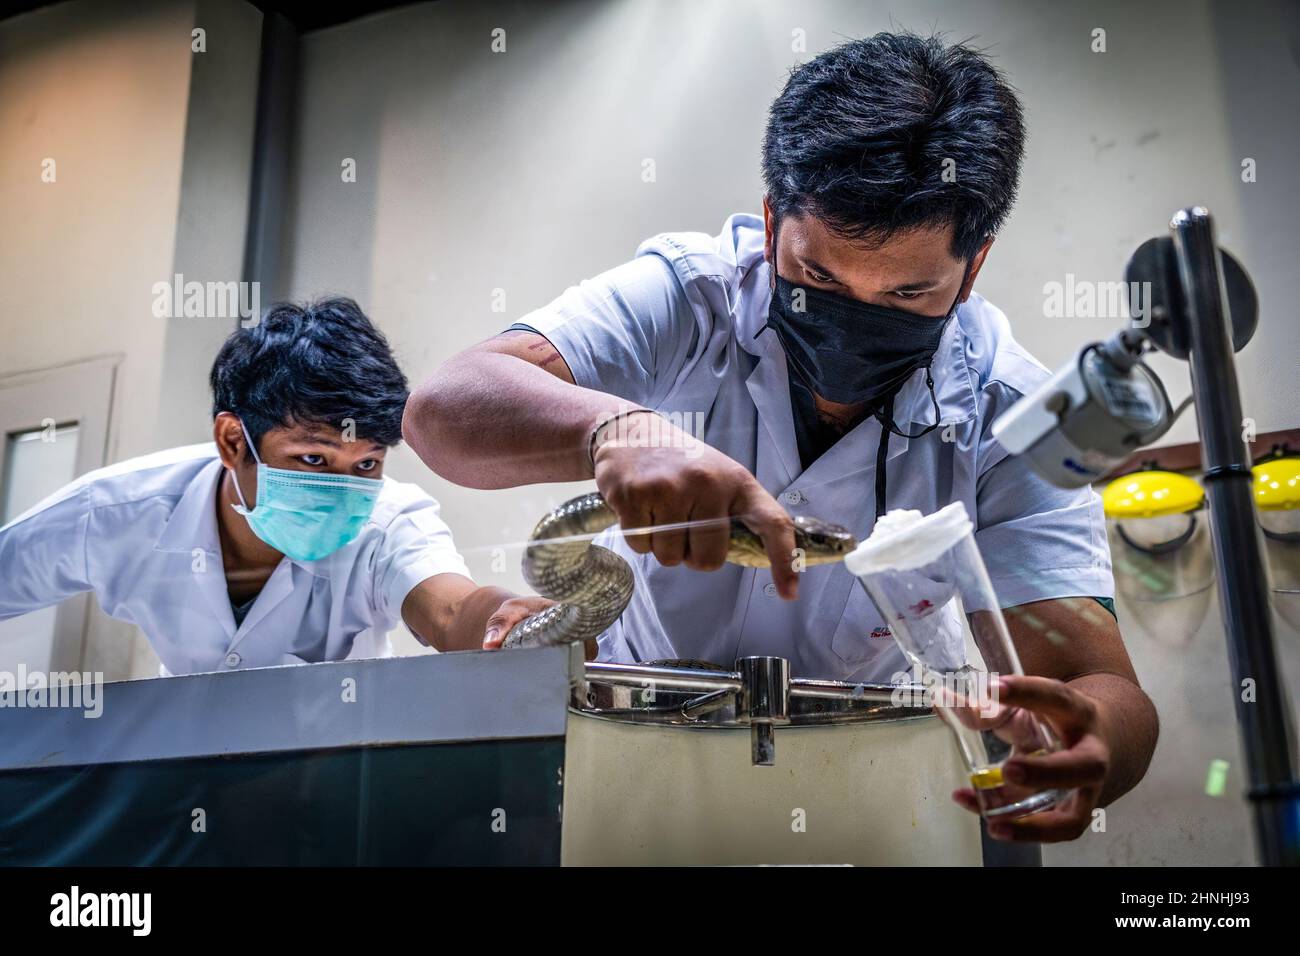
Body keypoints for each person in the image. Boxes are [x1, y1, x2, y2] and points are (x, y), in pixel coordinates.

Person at [401, 33, 1158, 842]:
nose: (852, 321)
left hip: (868, 788)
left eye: (908, 293)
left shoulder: (1012, 419)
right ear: (771, 225)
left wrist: (1092, 744)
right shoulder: (689, 299)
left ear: (973, 270)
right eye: (820, 278)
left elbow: (1099, 682)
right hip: (626, 765)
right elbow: (441, 412)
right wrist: (612, 428)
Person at [0, 298, 548, 676]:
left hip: (337, 792)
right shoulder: (120, 511)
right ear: (233, 441)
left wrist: (511, 621)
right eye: (314, 457)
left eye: (366, 465)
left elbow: (451, 611)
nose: (344, 488)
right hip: (180, 787)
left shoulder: (390, 524)